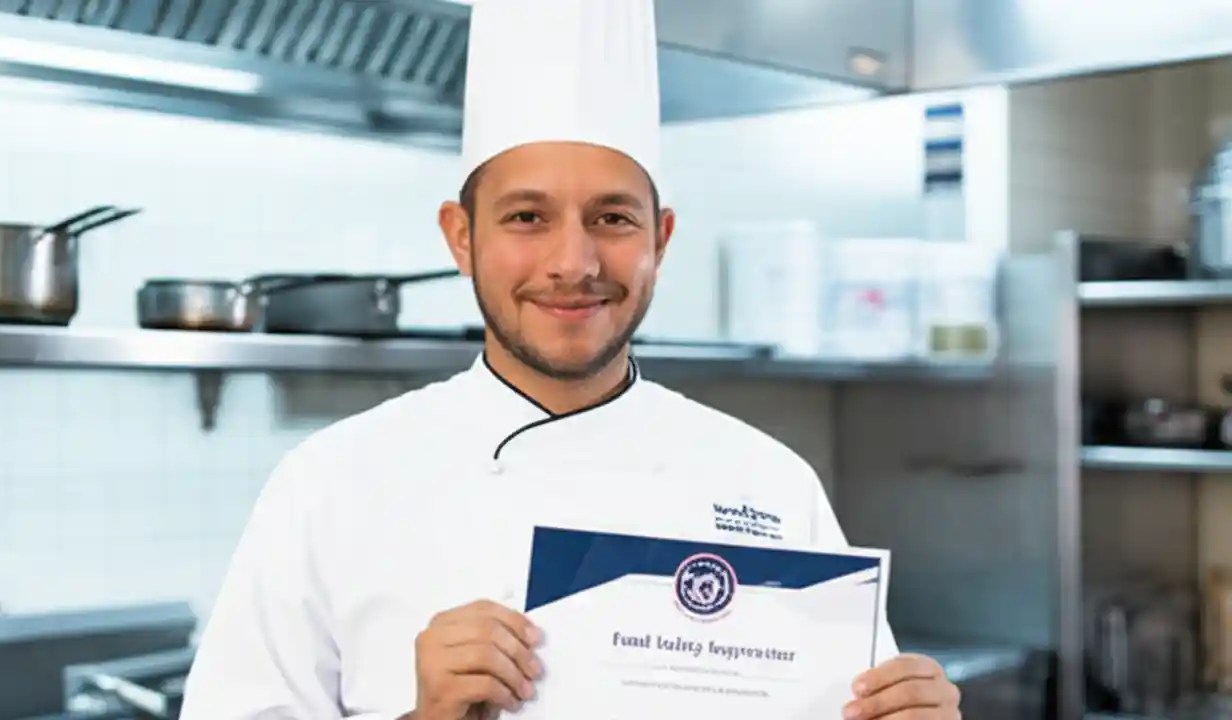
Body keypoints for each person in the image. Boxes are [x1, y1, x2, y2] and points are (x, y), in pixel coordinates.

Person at [180, 0, 962, 718]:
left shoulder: (773, 483)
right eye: (527, 216)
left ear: (660, 238)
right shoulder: (334, 483)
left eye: (612, 218)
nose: (574, 262)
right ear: (461, 236)